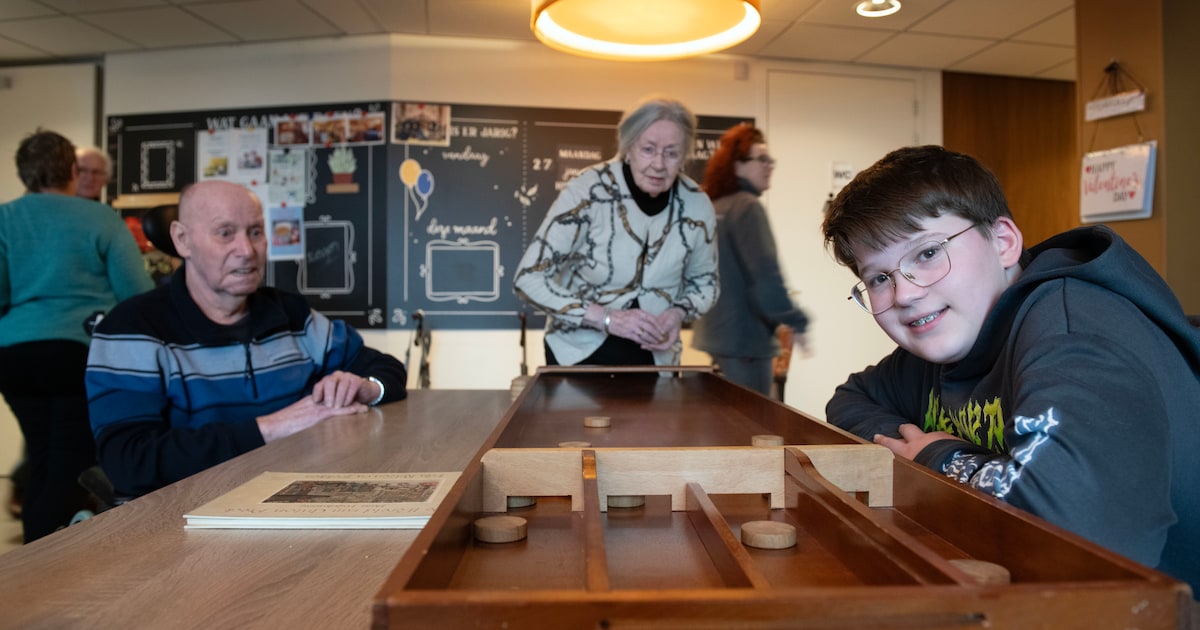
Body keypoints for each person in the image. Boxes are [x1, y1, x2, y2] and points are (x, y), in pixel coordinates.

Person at [821, 145, 1200, 600]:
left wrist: (941, 459)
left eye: (926, 254)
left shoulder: (1072, 330)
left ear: (1003, 242)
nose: (904, 294)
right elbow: (849, 401)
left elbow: (1075, 534)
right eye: (879, 278)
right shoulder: (947, 344)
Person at [85, 180, 408, 497]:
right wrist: (272, 427)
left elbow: (387, 369)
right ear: (182, 241)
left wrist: (366, 387)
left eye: (255, 232)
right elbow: (129, 462)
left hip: (292, 499)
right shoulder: (131, 328)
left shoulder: (292, 313)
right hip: (181, 519)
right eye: (225, 233)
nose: (247, 250)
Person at [0, 129, 152, 542]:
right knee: (71, 461)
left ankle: (35, 551)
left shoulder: (5, 217)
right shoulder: (101, 218)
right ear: (71, 168)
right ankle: (45, 555)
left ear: (23, 172)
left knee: (43, 455)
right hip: (77, 353)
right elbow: (134, 293)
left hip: (13, 356)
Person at [513, 95, 718, 366]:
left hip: (656, 361)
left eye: (671, 153)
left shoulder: (696, 204)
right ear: (628, 146)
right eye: (648, 149)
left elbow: (706, 283)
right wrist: (607, 318)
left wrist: (678, 313)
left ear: (684, 156)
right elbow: (528, 278)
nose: (658, 163)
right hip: (577, 357)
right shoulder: (588, 190)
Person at [691, 123, 810, 395]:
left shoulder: (714, 206)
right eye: (762, 159)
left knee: (727, 424)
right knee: (752, 428)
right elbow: (766, 276)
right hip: (745, 341)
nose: (770, 166)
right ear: (737, 165)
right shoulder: (747, 206)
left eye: (771, 160)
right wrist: (797, 319)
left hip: (717, 336)